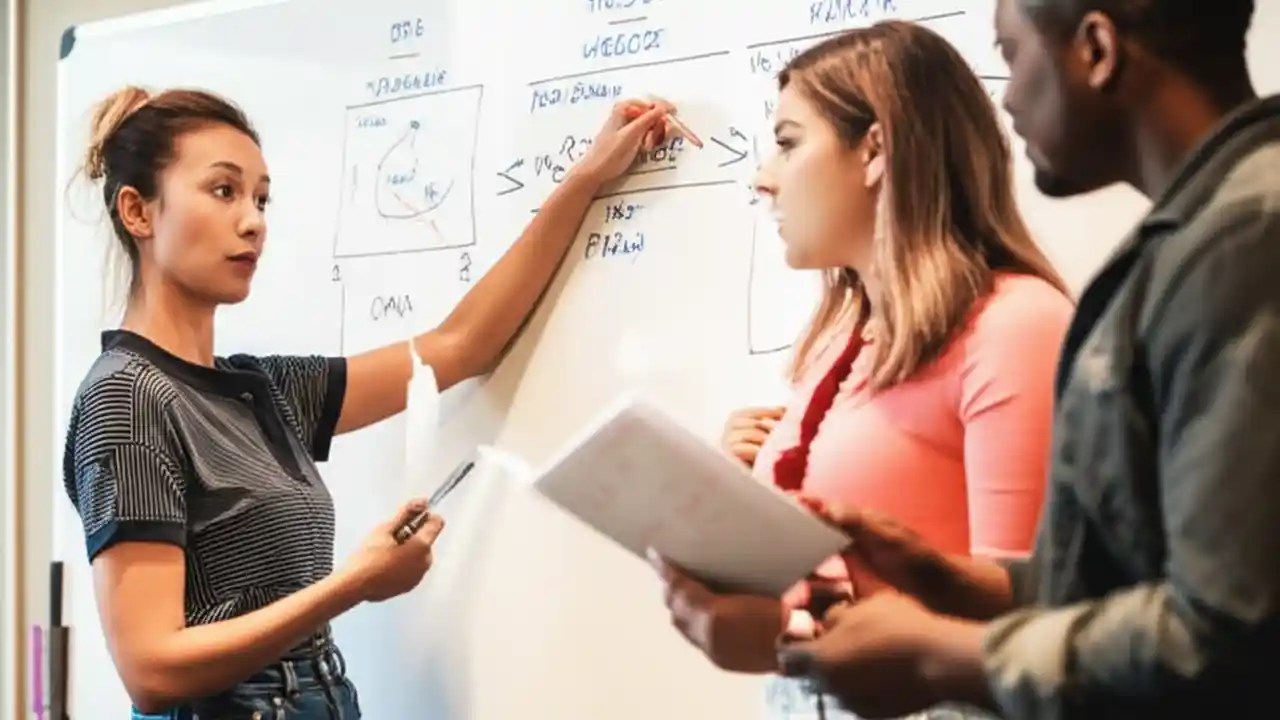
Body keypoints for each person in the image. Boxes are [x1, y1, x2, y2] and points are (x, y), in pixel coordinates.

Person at [61, 85, 677, 719]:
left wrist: (587, 178)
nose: (253, 221)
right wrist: (356, 584)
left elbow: (461, 345)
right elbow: (151, 670)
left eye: (261, 198)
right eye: (224, 191)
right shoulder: (127, 397)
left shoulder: (263, 391)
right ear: (138, 212)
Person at [772, 1, 1280, 718]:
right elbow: (1126, 578)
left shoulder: (1248, 241)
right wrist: (950, 580)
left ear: (1096, 50)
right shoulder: (1194, 243)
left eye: (1012, 57)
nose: (1004, 98)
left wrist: (938, 655)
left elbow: (1228, 632)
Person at [647, 21, 1074, 719]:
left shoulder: (1014, 324)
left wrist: (784, 638)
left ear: (875, 147)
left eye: (787, 143)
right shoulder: (840, 337)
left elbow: (1031, 618)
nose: (762, 177)